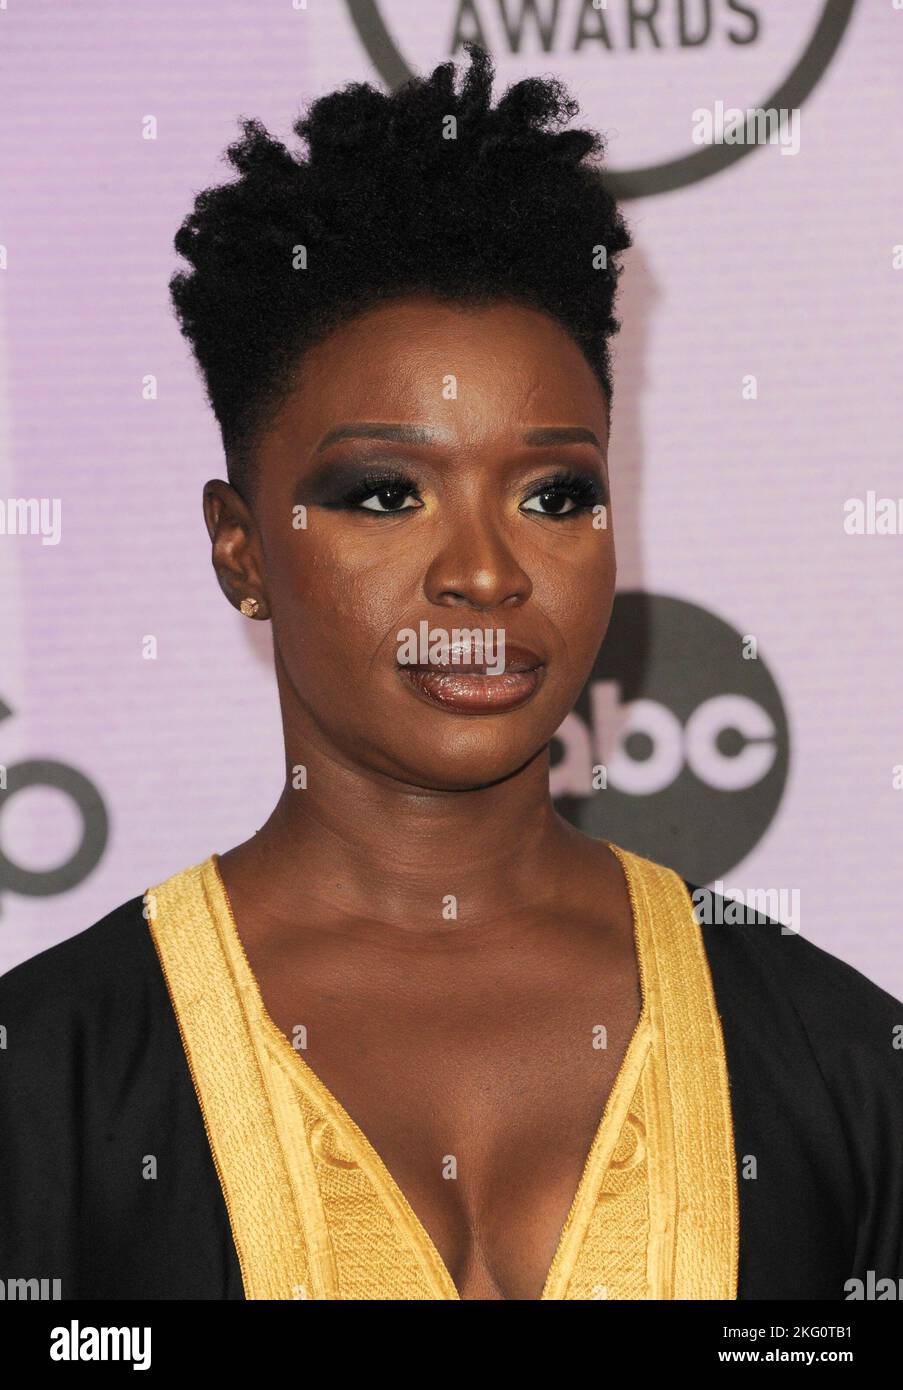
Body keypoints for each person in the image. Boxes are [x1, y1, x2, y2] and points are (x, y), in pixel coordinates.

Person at [1, 42, 901, 1302]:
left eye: (553, 491)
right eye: (385, 492)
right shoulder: (51, 1077)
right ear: (240, 545)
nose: (484, 572)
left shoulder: (841, 1060)